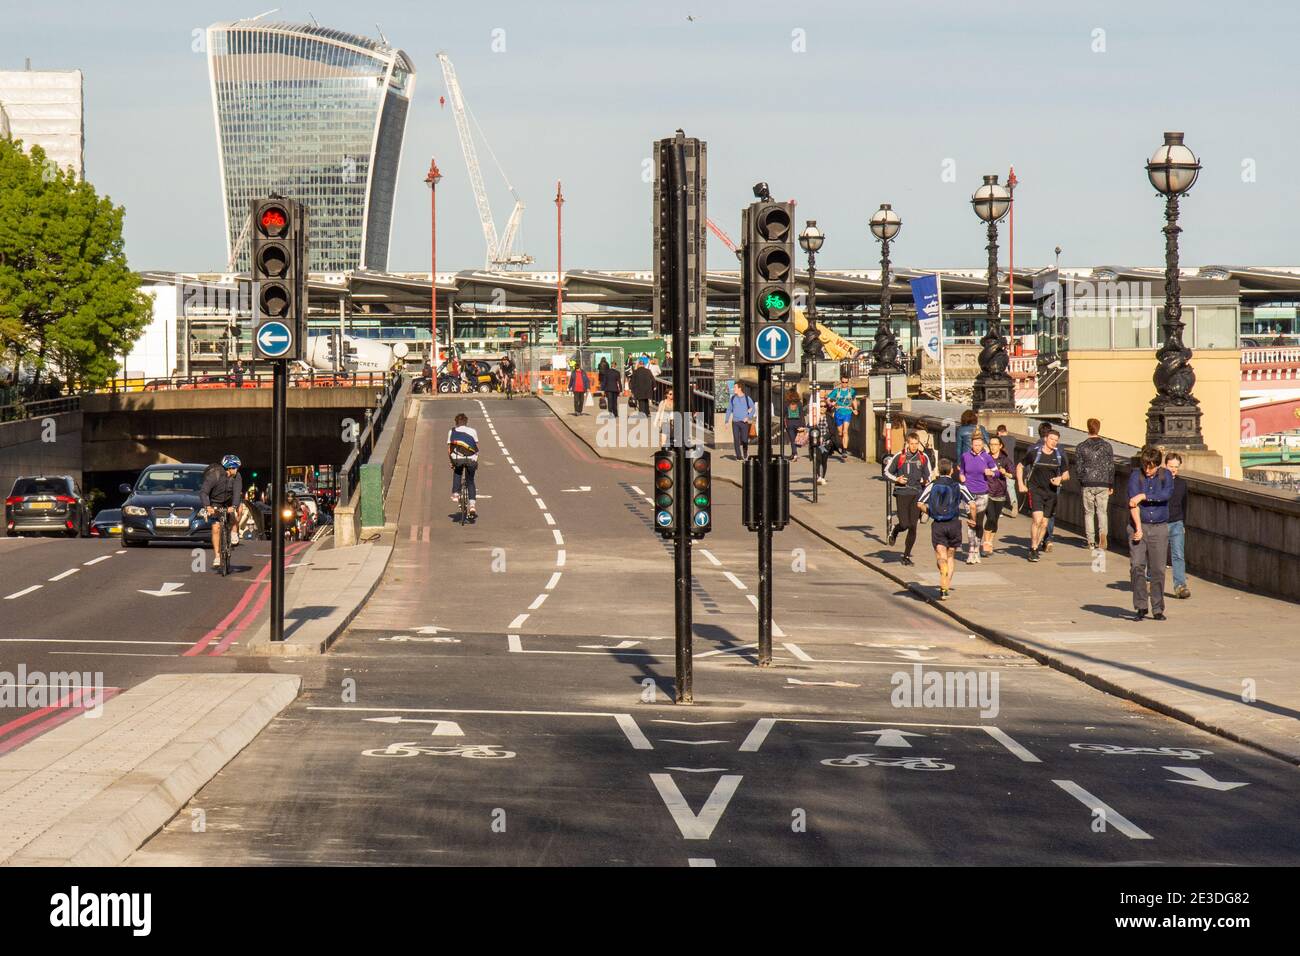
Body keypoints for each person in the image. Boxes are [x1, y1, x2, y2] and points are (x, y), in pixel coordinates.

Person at [917, 458, 976, 600]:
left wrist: (930, 512)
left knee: (941, 556)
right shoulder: (959, 486)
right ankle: (945, 588)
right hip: (954, 524)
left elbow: (919, 503)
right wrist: (972, 519)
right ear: (951, 470)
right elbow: (972, 504)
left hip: (938, 524)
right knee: (950, 556)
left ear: (938, 470)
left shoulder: (932, 485)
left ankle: (942, 568)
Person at [1127, 445, 1174, 621]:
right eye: (1145, 466)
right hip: (1139, 525)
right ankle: (1141, 605)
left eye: (1151, 467)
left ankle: (1157, 607)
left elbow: (1166, 494)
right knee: (1137, 566)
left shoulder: (1165, 475)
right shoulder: (1135, 476)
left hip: (1159, 527)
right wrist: (1138, 528)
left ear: (1158, 465)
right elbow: (1133, 504)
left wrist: (1144, 496)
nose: (1147, 470)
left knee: (1158, 569)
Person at [1019, 428, 1068, 562]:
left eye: (1056, 440)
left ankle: (1036, 545)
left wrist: (1060, 479)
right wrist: (1021, 484)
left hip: (1051, 493)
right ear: (1045, 439)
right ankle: (1033, 548)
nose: (1053, 442)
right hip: (1036, 491)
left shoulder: (1059, 456)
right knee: (1037, 520)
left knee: (1045, 524)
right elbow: (1020, 466)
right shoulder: (1035, 453)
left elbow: (1066, 474)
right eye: (1051, 439)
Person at [884, 431, 933, 567]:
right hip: (902, 493)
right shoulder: (900, 456)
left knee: (913, 526)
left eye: (916, 444)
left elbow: (929, 475)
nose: (914, 446)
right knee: (904, 524)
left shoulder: (923, 457)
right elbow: (886, 472)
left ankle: (906, 555)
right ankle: (895, 530)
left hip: (916, 493)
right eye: (911, 444)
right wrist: (897, 479)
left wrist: (926, 481)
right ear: (907, 443)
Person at [1075, 417, 1116, 551]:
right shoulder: (1107, 446)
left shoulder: (1081, 446)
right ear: (1099, 428)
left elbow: (1078, 467)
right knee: (1102, 512)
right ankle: (1103, 536)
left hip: (1087, 482)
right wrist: (1111, 484)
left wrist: (1081, 480)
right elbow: (1111, 466)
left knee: (1089, 513)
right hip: (1103, 483)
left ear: (1088, 428)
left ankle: (1091, 541)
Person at [958, 430, 997, 564]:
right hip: (968, 493)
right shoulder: (965, 456)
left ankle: (977, 549)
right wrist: (961, 476)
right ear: (971, 445)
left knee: (979, 523)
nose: (977, 447)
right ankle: (971, 551)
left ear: (983, 445)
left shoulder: (987, 457)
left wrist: (990, 472)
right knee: (971, 522)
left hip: (982, 493)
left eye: (980, 445)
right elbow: (962, 470)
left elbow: (997, 472)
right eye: (975, 445)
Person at [200, 454, 243, 569]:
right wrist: (207, 506)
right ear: (228, 468)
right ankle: (217, 556)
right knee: (216, 528)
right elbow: (204, 492)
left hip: (229, 500)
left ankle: (234, 532)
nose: (237, 470)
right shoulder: (215, 475)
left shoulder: (237, 476)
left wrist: (234, 506)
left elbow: (237, 492)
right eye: (234, 468)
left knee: (239, 508)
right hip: (215, 502)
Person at [983, 435, 1015, 555]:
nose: (993, 447)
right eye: (991, 444)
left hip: (1000, 493)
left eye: (995, 444)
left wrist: (1005, 473)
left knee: (995, 520)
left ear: (1000, 446)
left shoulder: (1005, 460)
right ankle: (986, 543)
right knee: (990, 517)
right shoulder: (985, 458)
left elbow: (1013, 475)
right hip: (987, 492)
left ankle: (990, 542)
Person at [1165, 452, 1190, 599]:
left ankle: (1180, 586)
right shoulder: (1159, 481)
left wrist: (1183, 524)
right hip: (1161, 523)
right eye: (1171, 466)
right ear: (1165, 465)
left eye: (1176, 467)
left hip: (1177, 522)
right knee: (1156, 554)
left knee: (1178, 555)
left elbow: (1184, 504)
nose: (1174, 469)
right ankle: (1150, 579)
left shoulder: (1182, 484)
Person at [448, 412, 480, 520]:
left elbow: (450, 449)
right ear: (466, 422)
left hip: (458, 459)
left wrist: (451, 462)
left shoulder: (452, 431)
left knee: (457, 471)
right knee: (470, 481)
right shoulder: (473, 431)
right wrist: (476, 461)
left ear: (456, 422)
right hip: (471, 459)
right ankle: (472, 506)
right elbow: (476, 448)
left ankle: (456, 494)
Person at [826, 376, 858, 460]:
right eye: (843, 382)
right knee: (840, 433)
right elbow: (828, 399)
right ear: (841, 382)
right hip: (838, 412)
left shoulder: (852, 391)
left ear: (848, 382)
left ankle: (844, 450)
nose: (844, 384)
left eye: (846, 382)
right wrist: (831, 404)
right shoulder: (836, 391)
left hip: (848, 412)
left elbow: (854, 399)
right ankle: (842, 445)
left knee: (845, 431)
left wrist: (855, 409)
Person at [724, 382, 756, 460]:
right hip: (735, 422)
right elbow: (729, 410)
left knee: (744, 440)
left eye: (735, 387)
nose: (733, 389)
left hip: (744, 423)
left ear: (740, 388)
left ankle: (745, 453)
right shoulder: (733, 398)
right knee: (736, 439)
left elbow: (753, 409)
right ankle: (739, 456)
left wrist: (748, 417)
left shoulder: (747, 398)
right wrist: (726, 421)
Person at [995, 424, 1019, 515]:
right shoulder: (1013, 439)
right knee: (1010, 487)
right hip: (1011, 466)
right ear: (1006, 431)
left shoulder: (998, 440)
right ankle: (1014, 503)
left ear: (998, 432)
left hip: (1001, 465)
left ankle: (999, 507)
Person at [783, 386, 803, 460]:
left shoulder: (786, 403)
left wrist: (783, 424)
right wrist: (803, 425)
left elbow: (783, 413)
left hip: (789, 423)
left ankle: (794, 454)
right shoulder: (799, 403)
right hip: (798, 423)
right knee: (797, 439)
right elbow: (801, 414)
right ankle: (794, 453)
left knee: (792, 439)